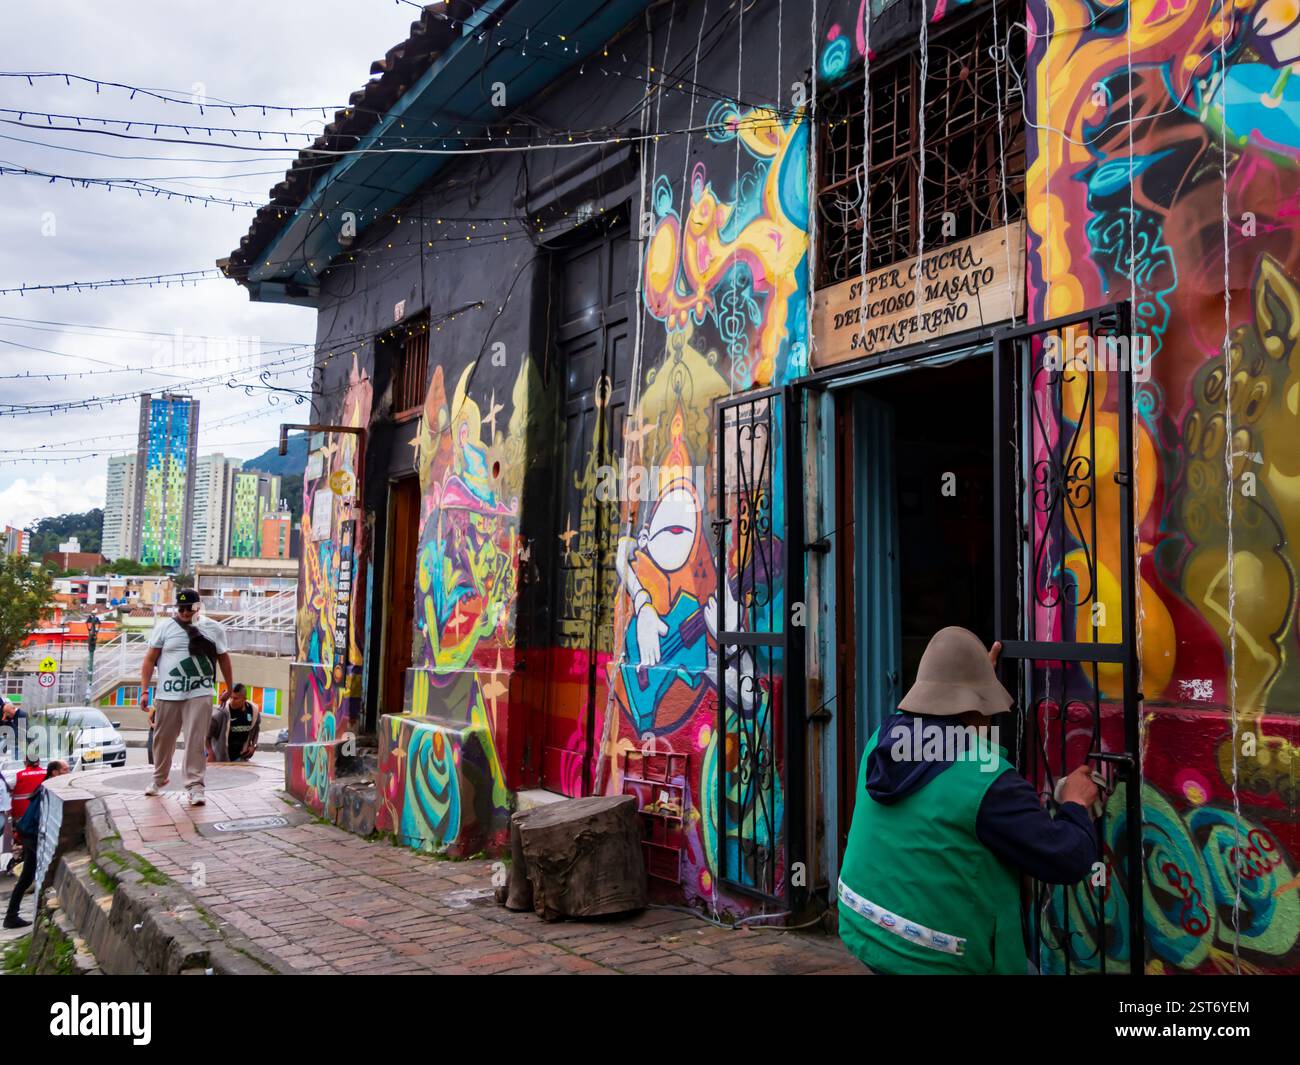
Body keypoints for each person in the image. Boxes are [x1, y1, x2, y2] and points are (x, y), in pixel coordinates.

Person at [837, 626, 1102, 975]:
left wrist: (973, 683)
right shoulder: (990, 783)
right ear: (977, 706)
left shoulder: (882, 739)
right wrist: (1075, 804)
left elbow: (951, 750)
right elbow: (1067, 859)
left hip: (867, 929)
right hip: (940, 956)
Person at [139, 589, 233, 806]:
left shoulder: (213, 628)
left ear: (197, 607)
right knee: (162, 739)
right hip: (168, 693)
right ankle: (159, 778)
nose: (183, 612)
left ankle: (195, 785)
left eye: (188, 608)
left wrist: (228, 686)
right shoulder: (165, 627)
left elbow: (224, 659)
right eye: (179, 608)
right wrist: (144, 690)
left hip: (199, 692)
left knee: (196, 739)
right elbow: (149, 660)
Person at [4, 759, 68, 929]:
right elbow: (40, 816)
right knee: (45, 871)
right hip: (31, 833)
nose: (67, 773)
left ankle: (11, 916)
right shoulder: (49, 789)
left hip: (28, 831)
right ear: (54, 772)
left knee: (28, 875)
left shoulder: (45, 786)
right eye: (64, 770)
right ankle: (42, 912)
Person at [208, 685, 261, 763]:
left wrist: (253, 745)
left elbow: (256, 730)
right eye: (231, 697)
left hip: (240, 758)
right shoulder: (221, 714)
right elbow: (205, 736)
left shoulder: (253, 712)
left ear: (244, 699)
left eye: (236, 698)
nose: (232, 701)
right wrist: (210, 753)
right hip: (221, 760)